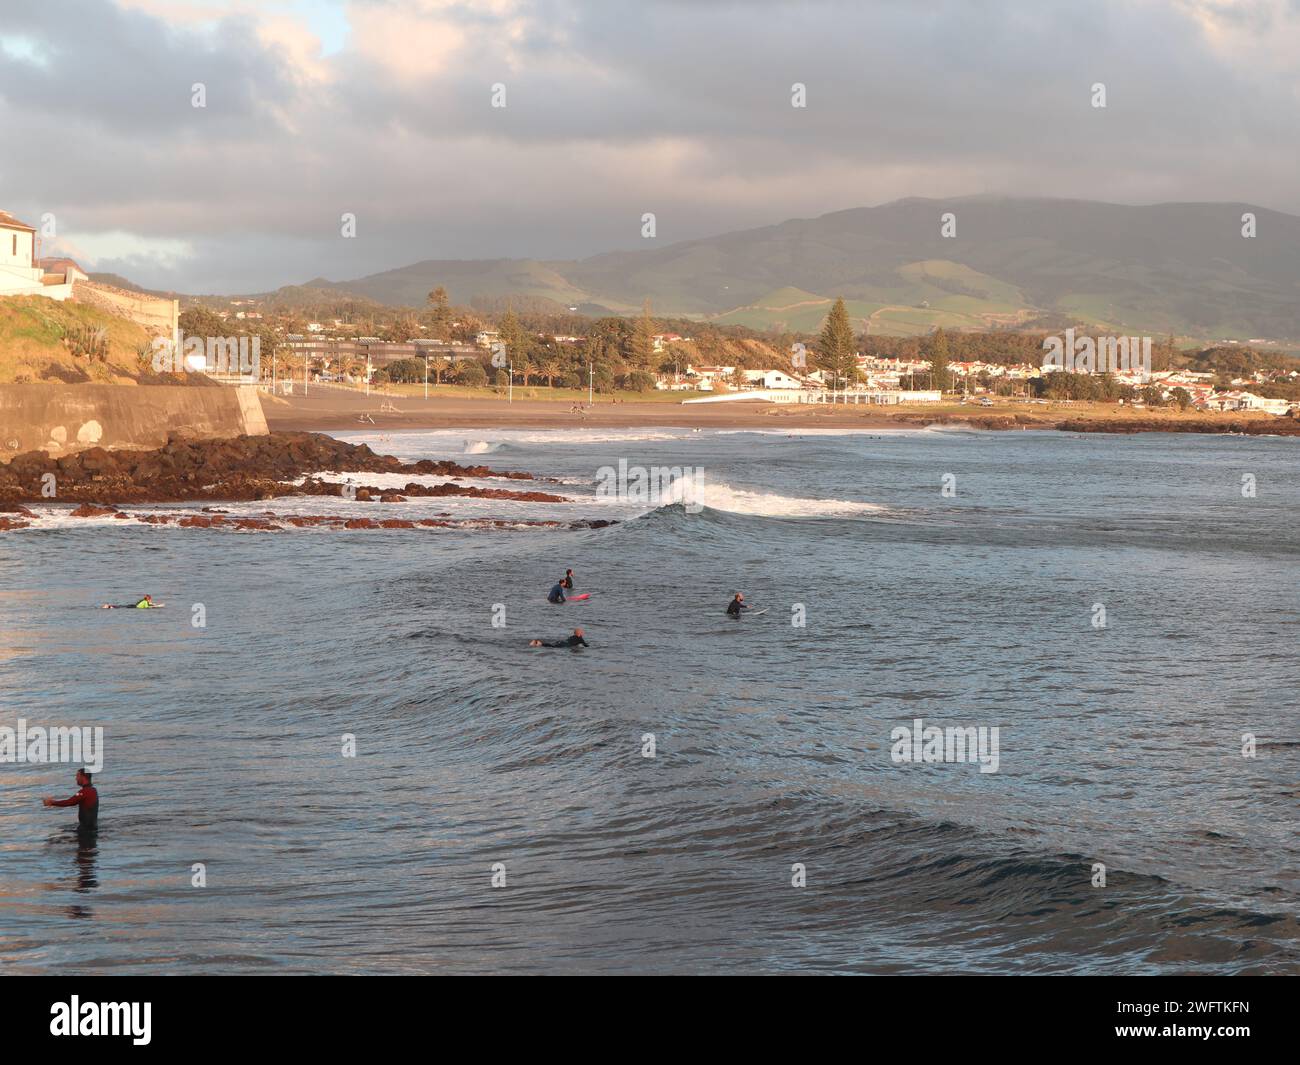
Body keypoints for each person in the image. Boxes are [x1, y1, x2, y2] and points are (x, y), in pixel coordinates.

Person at [43, 769, 99, 833]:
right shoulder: (93, 790)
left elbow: (70, 802)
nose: (76, 779)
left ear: (83, 777)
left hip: (86, 830)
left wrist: (52, 802)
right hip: (92, 828)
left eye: (77, 776)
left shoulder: (84, 792)